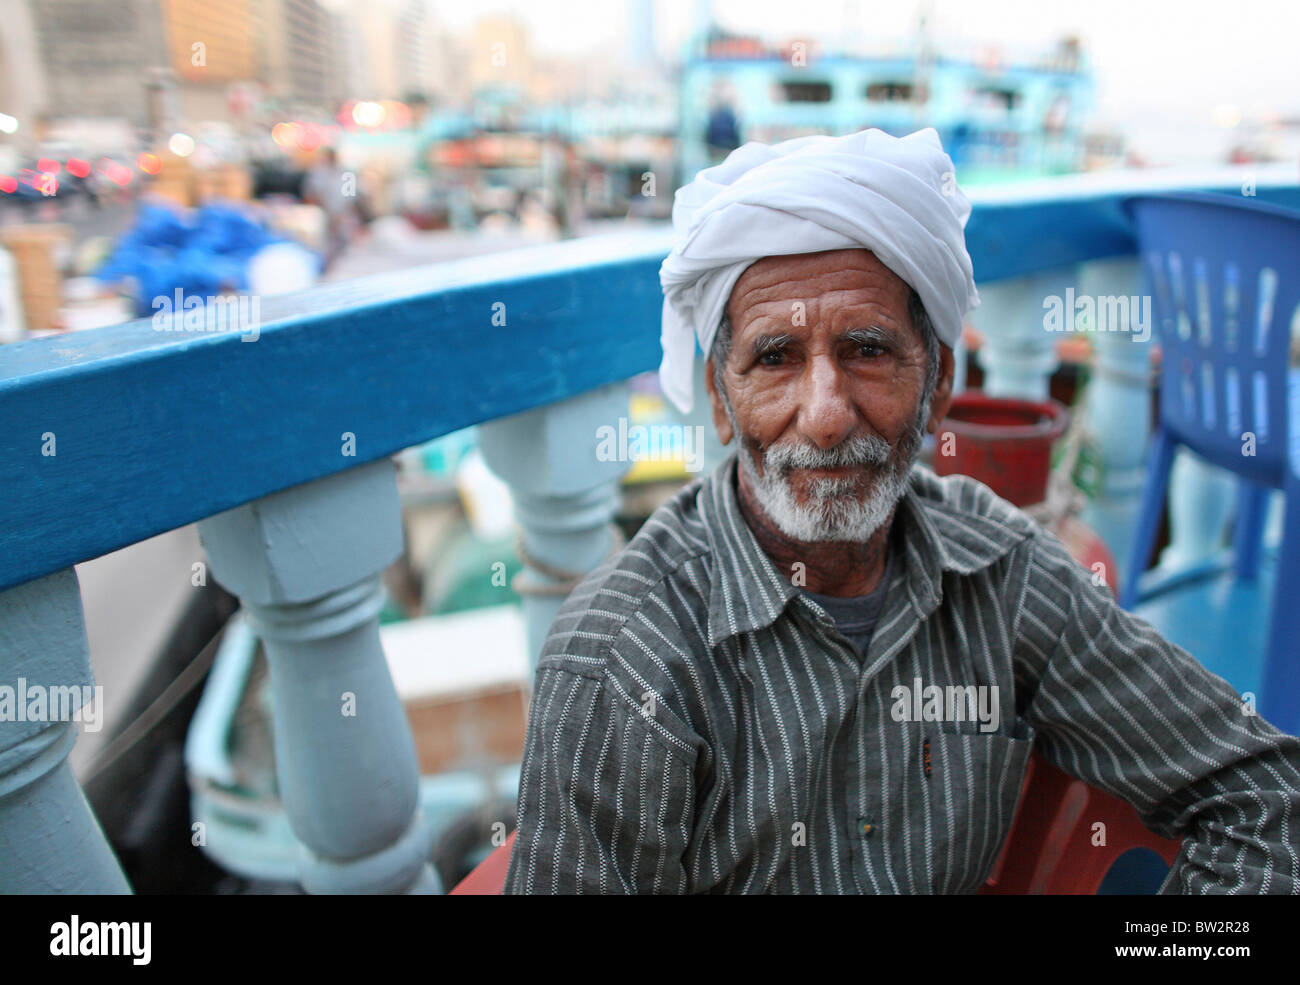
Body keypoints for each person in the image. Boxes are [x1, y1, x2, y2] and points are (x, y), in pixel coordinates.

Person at [503, 127, 1300, 895]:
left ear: (939, 382)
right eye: (775, 358)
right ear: (720, 399)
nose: (825, 414)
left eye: (868, 350)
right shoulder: (623, 663)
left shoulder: (998, 569)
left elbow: (1263, 790)